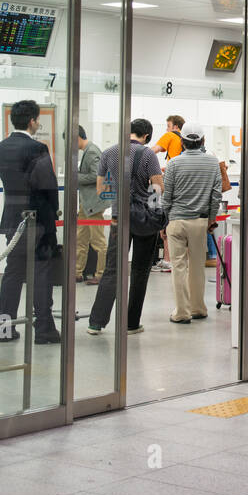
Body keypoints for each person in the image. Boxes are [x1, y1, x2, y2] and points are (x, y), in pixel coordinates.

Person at [86, 118, 163, 336]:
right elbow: (157, 187)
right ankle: (131, 323)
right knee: (140, 270)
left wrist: (118, 201)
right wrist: (150, 209)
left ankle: (96, 323)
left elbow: (101, 190)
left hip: (118, 219)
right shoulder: (148, 154)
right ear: (147, 136)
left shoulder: (109, 153)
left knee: (112, 269)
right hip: (143, 222)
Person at [0, 100, 61, 345]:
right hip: (37, 219)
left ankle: (5, 327)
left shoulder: (1, 148)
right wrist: (54, 211)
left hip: (12, 218)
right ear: (32, 121)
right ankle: (43, 329)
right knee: (41, 272)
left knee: (13, 272)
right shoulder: (38, 148)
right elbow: (48, 185)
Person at [160, 123, 222, 324]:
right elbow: (216, 195)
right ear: (203, 141)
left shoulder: (173, 164)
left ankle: (181, 312)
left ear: (182, 142)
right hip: (200, 221)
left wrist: (163, 220)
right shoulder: (213, 163)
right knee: (197, 266)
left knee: (178, 266)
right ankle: (198, 308)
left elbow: (166, 197)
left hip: (176, 221)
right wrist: (212, 218)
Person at [151, 115, 186, 273]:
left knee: (165, 220)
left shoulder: (170, 136)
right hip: (184, 185)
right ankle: (171, 259)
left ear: (175, 127)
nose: (166, 129)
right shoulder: (185, 141)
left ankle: (168, 260)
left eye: (168, 125)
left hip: (171, 184)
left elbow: (153, 151)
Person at [75, 125, 110, 285]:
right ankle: (77, 272)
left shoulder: (92, 151)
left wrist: (75, 177)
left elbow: (97, 175)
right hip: (87, 202)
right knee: (80, 238)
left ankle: (101, 273)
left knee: (98, 240)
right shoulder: (88, 151)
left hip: (93, 203)